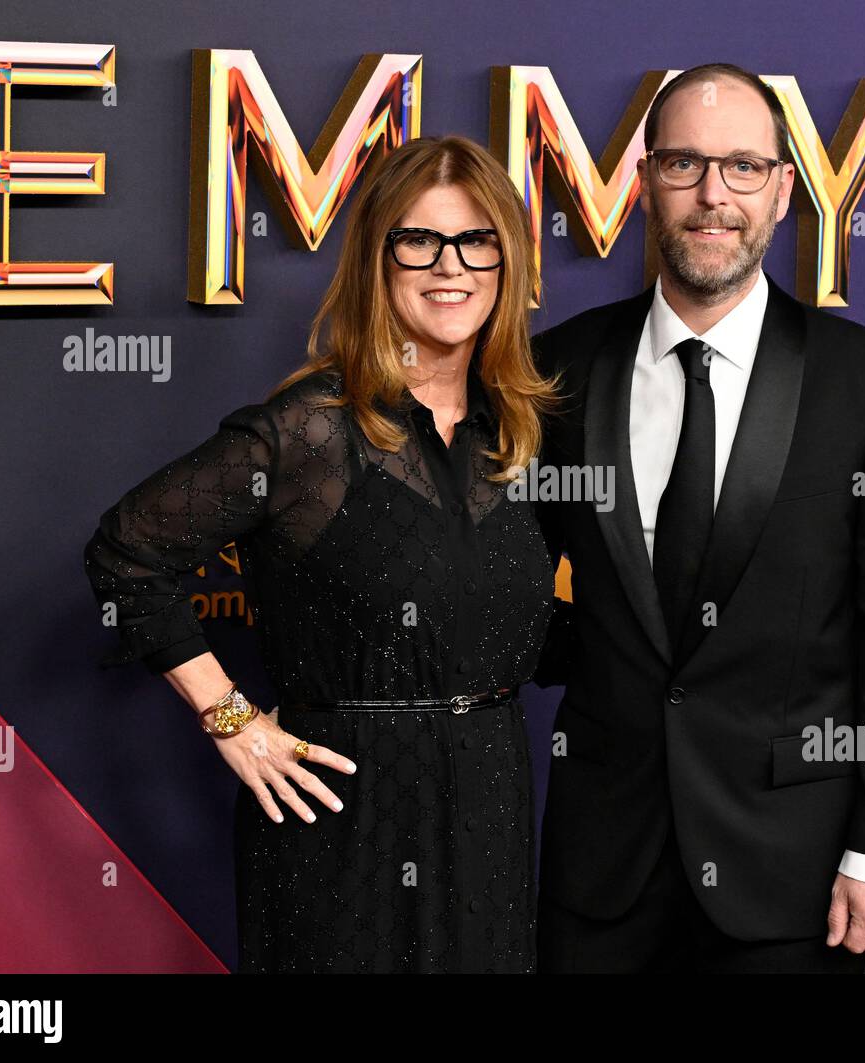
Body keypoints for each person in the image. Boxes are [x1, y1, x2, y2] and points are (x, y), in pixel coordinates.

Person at [83, 135, 561, 973]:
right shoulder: (312, 429)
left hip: (490, 803)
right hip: (344, 811)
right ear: (377, 258)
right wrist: (231, 719)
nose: (450, 266)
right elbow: (126, 553)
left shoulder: (517, 433)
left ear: (508, 261)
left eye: (477, 239)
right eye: (419, 239)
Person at [530, 63, 865, 973]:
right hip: (600, 869)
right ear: (644, 183)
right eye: (683, 164)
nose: (712, 195)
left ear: (783, 188)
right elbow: (497, 581)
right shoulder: (556, 371)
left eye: (742, 168)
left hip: (792, 875)